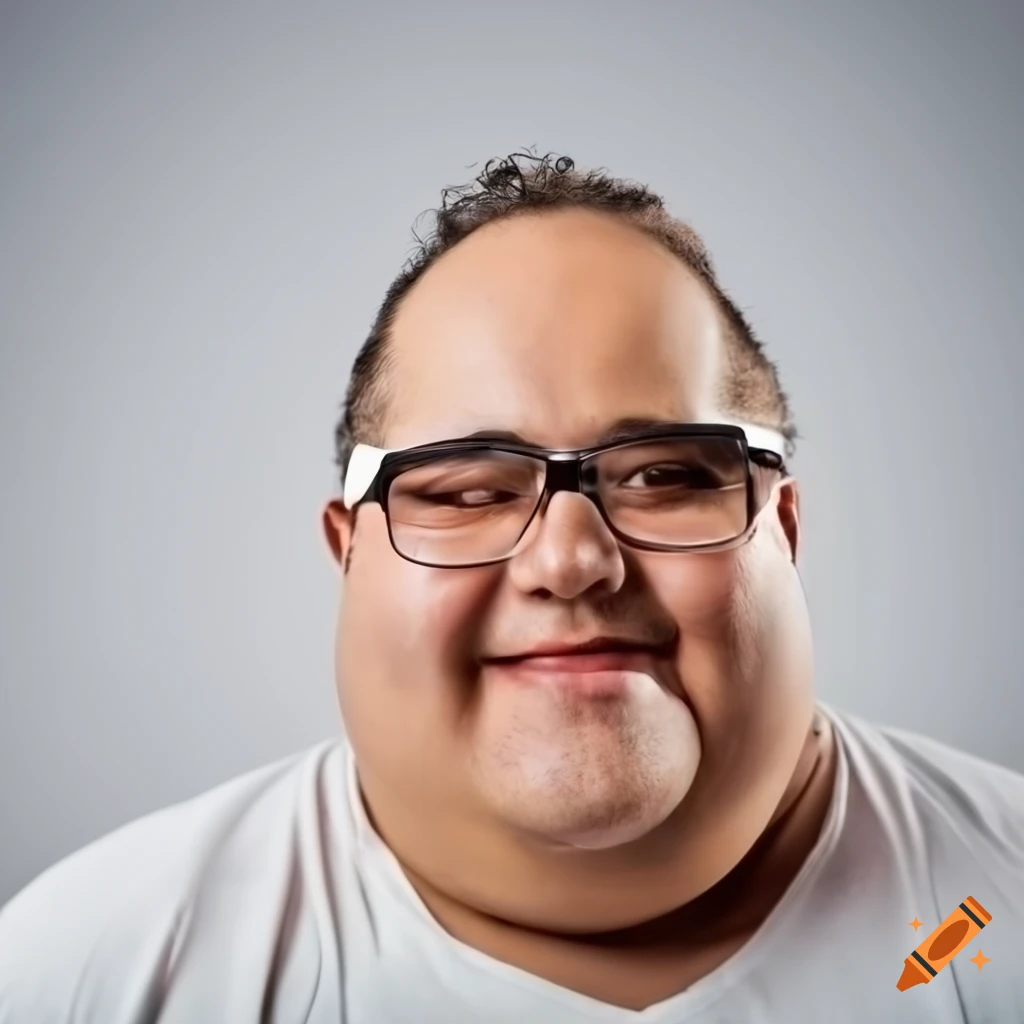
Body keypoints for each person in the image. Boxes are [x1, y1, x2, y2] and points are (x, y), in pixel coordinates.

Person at [1, 152, 1022, 1024]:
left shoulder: (995, 908)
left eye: (666, 474)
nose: (570, 558)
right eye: (469, 490)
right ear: (348, 550)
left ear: (783, 530)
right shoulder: (93, 965)